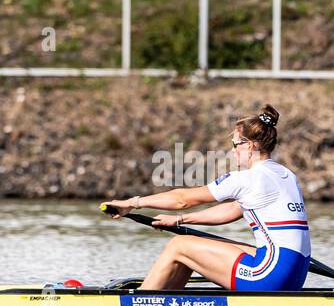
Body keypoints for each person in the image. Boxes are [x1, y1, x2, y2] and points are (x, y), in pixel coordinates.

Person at [102, 105, 310, 291]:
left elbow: (182, 199)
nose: (233, 150)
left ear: (251, 145)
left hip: (269, 277)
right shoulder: (286, 175)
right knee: (210, 244)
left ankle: (141, 300)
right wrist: (179, 220)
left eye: (235, 143)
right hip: (296, 276)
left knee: (179, 245)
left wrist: (132, 203)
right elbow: (232, 210)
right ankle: (170, 302)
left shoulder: (247, 178)